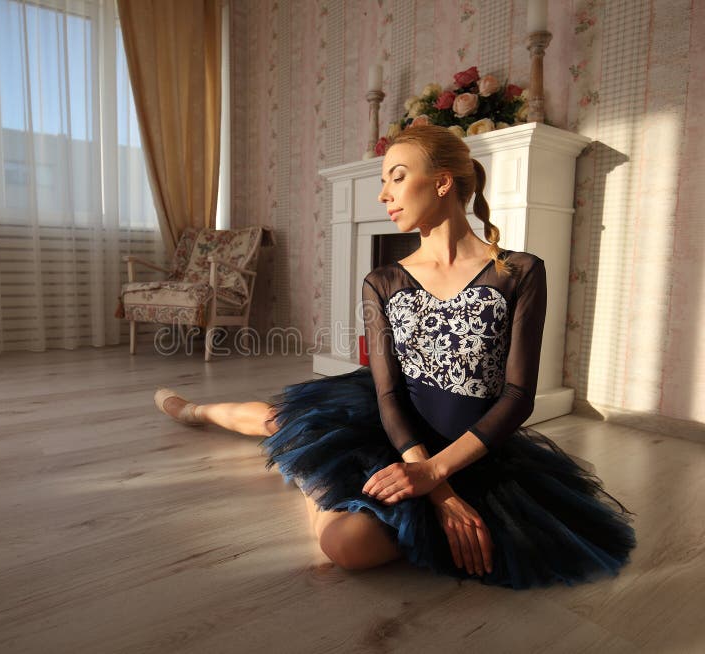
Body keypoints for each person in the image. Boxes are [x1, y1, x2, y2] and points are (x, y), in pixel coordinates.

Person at [154, 124, 636, 589]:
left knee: (352, 547)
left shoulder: (520, 271)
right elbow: (388, 395)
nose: (383, 194)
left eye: (397, 177)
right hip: (393, 427)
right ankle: (200, 413)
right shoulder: (382, 282)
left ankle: (304, 459)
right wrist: (432, 483)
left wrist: (437, 473)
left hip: (474, 450)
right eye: (383, 181)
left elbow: (517, 396)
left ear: (443, 182)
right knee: (286, 430)